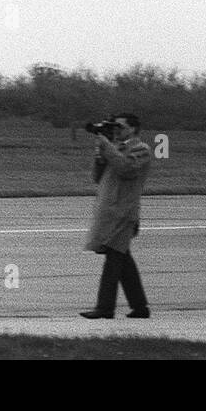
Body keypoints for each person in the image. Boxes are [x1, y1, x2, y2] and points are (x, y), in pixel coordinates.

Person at [80, 113, 153, 319]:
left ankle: (105, 308)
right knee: (122, 260)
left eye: (120, 127)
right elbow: (97, 177)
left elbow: (126, 169)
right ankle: (140, 307)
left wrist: (108, 147)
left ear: (133, 129)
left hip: (124, 212)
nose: (117, 130)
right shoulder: (116, 148)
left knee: (113, 259)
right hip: (110, 212)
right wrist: (100, 155)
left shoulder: (142, 149)